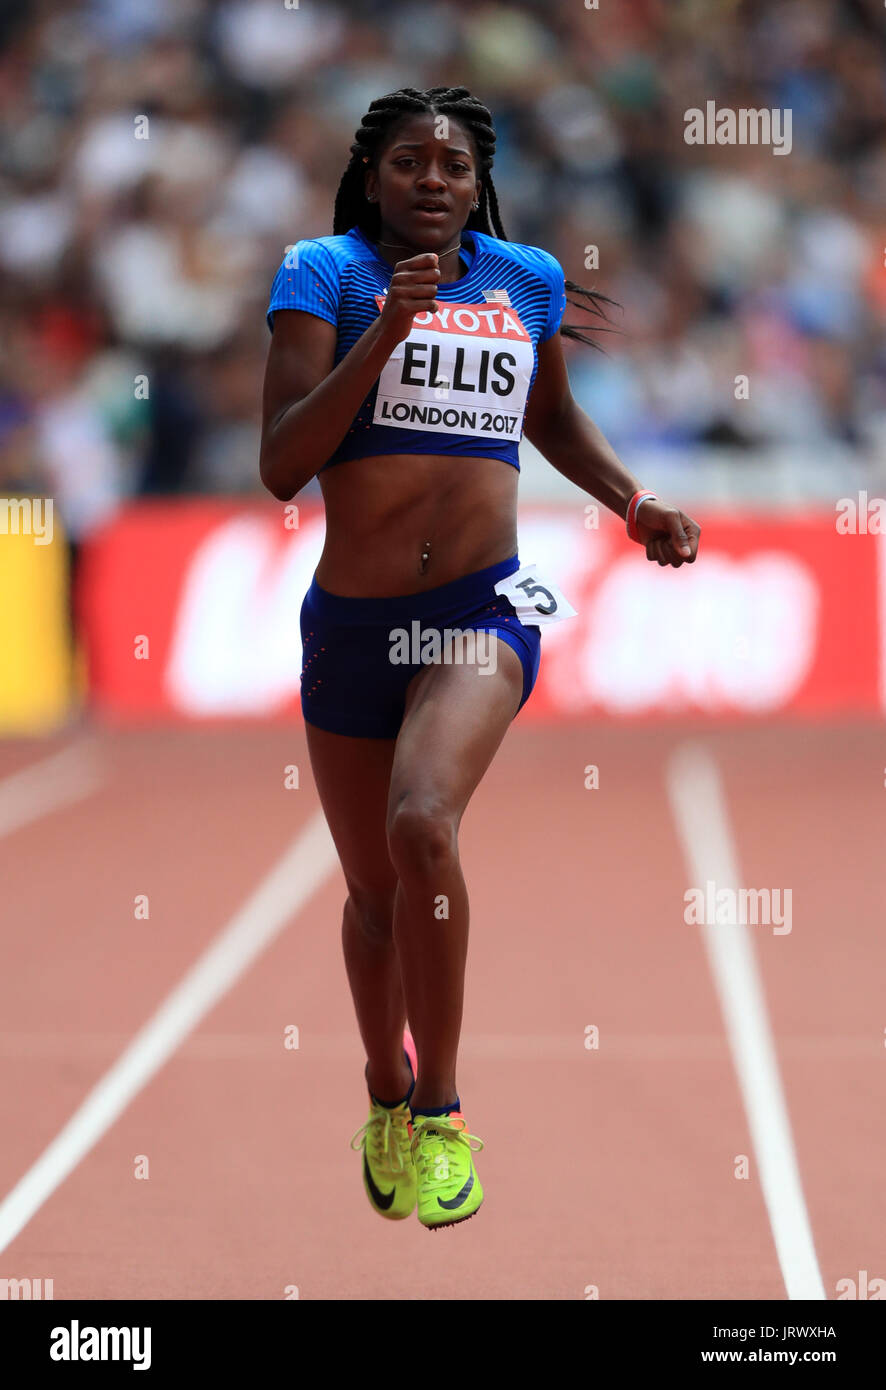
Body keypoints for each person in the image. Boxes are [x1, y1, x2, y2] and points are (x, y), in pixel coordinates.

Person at [260, 85, 700, 1230]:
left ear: (475, 181)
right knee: (371, 902)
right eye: (410, 163)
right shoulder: (323, 273)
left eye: (453, 165)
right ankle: (386, 1091)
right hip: (353, 622)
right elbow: (280, 459)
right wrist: (386, 336)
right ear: (372, 177)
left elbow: (551, 420)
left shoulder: (525, 279)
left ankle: (446, 1113)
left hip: (479, 610)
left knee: (421, 825)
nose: (435, 182)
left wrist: (632, 500)